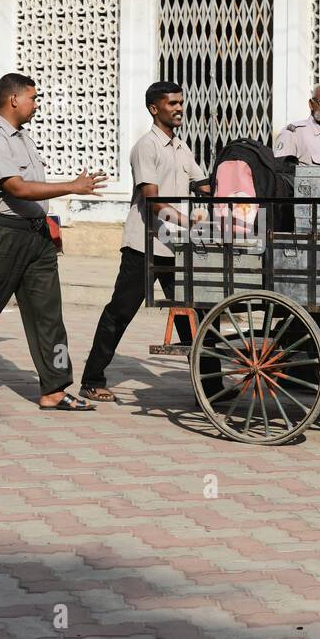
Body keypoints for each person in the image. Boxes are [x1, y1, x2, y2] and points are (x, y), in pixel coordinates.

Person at [0, 72, 105, 411]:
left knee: (48, 314)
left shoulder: (23, 137)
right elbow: (15, 187)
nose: (36, 104)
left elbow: (32, 192)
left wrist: (47, 225)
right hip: (2, 235)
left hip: (35, 235)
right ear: (13, 99)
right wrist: (71, 186)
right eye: (32, 97)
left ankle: (55, 388)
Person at [79, 81, 210, 403]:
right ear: (155, 108)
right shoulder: (146, 147)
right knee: (120, 312)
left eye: (181, 102)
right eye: (172, 104)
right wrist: (185, 220)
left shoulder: (181, 148)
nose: (179, 108)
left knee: (191, 313)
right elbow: (151, 199)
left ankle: (209, 385)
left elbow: (204, 184)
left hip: (176, 245)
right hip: (145, 245)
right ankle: (91, 380)